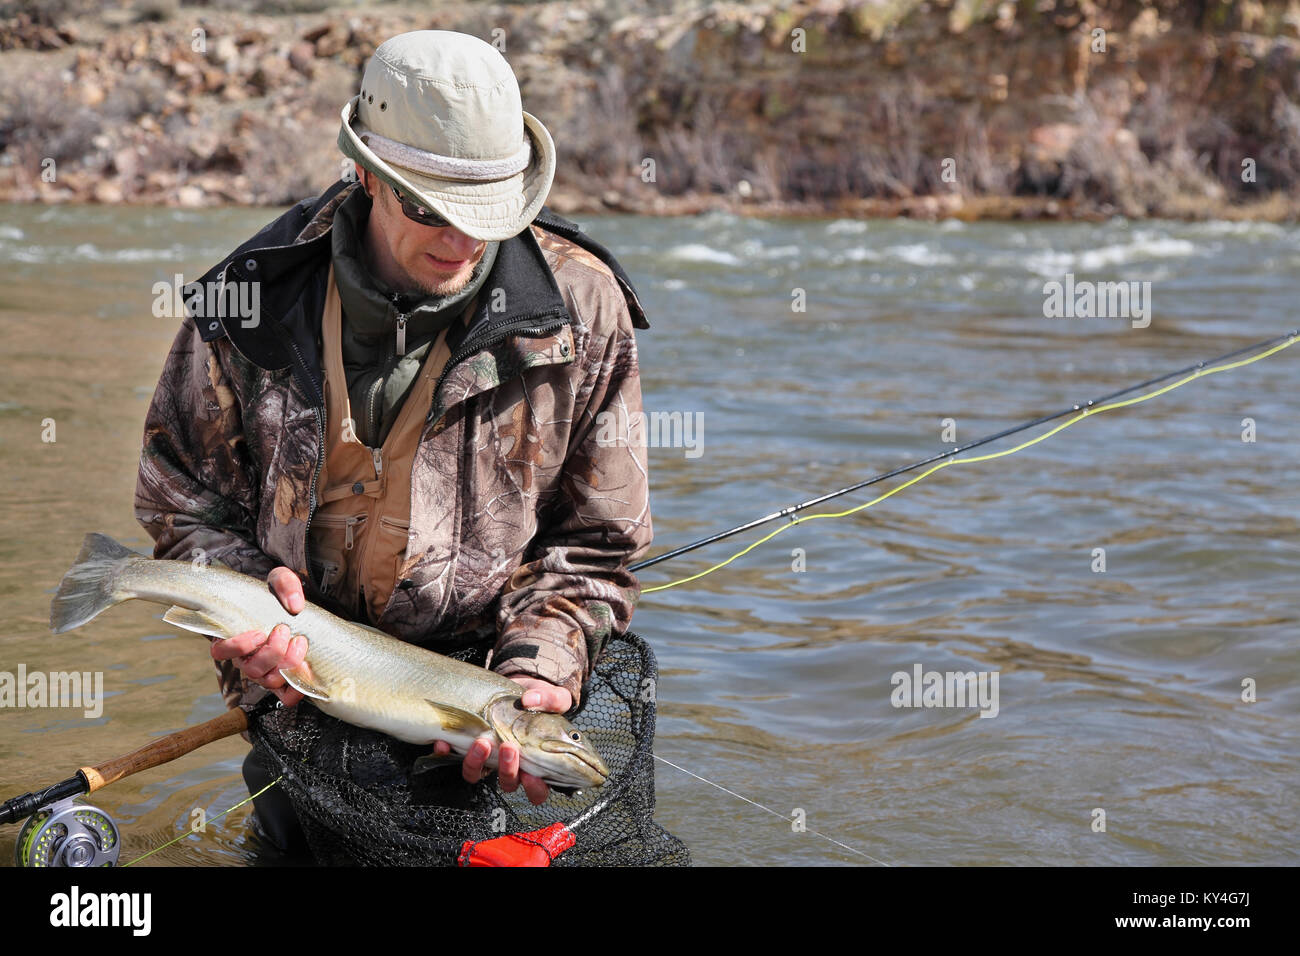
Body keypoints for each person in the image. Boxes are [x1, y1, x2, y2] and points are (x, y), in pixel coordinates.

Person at [134, 30, 652, 846]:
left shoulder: (582, 313)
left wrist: (538, 671)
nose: (462, 240)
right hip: (298, 697)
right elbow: (178, 500)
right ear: (367, 174)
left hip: (479, 687)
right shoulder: (249, 300)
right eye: (429, 209)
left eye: (489, 211)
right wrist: (252, 630)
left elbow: (592, 549)